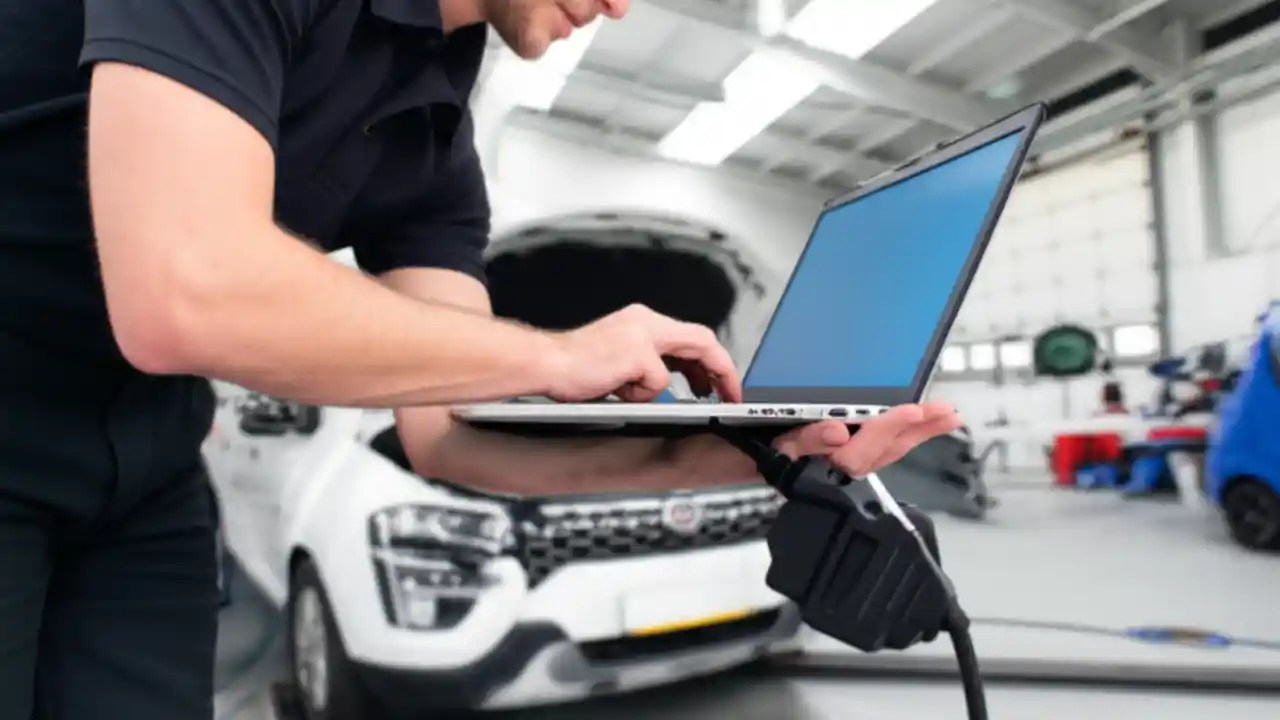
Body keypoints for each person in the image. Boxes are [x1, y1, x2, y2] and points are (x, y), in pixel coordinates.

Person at [0, 0, 963, 717]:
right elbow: (182, 291)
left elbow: (448, 441)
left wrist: (736, 453)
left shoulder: (433, 139)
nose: (623, 5)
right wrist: (551, 355)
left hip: (146, 468)